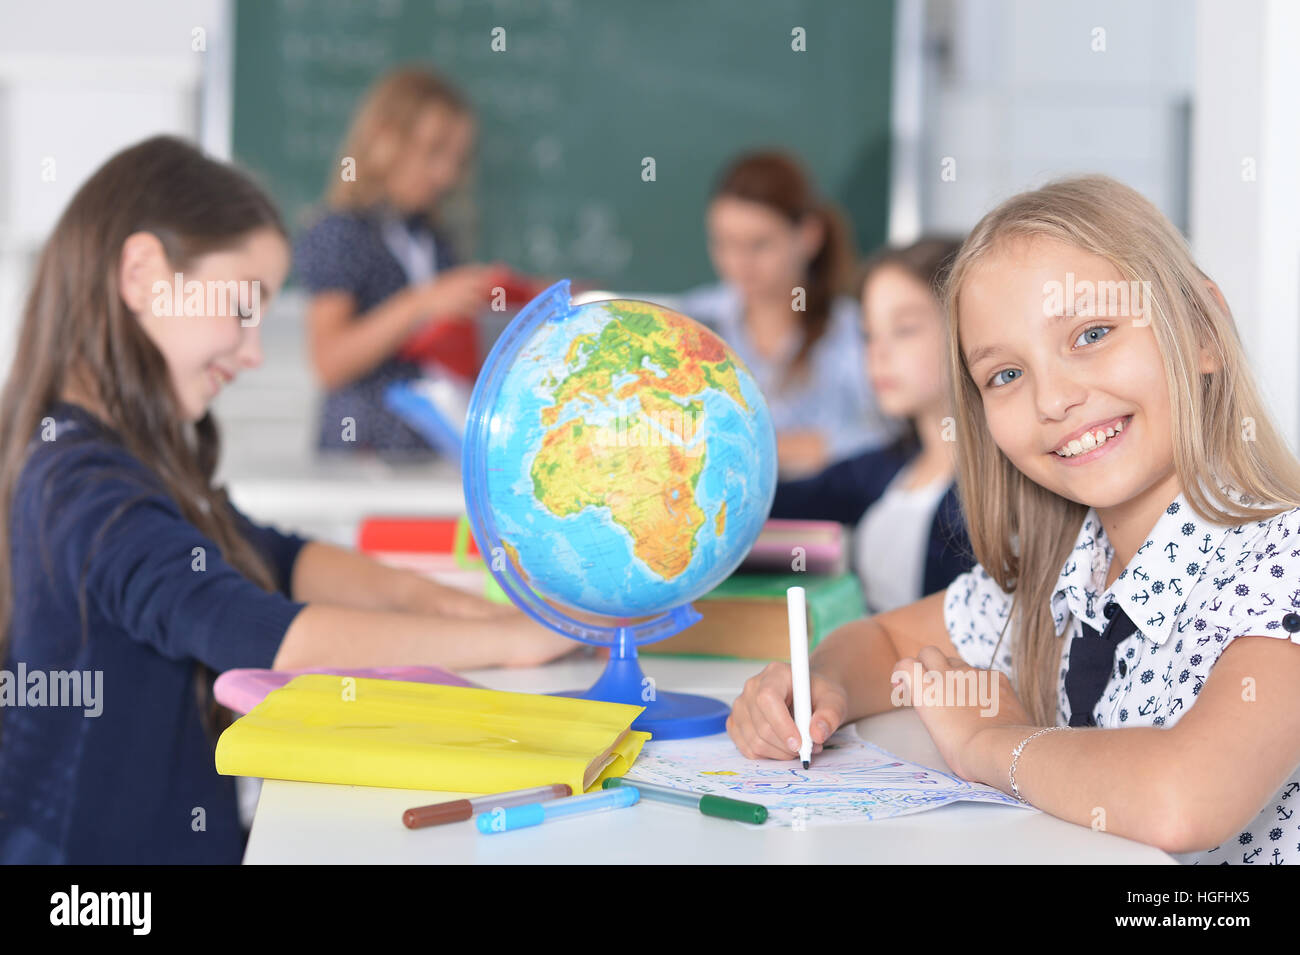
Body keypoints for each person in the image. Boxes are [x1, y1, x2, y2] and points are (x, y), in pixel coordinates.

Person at [0, 136, 575, 864]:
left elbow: (277, 554)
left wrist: (427, 599)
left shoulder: (127, 454)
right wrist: (513, 641)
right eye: (243, 308)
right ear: (144, 272)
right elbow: (257, 631)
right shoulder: (77, 481)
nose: (253, 353)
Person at [729, 175, 1300, 864]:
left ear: (1203, 330)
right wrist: (819, 684)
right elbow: (884, 639)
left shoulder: (1281, 559)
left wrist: (988, 743)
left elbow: (1184, 798)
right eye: (1005, 374)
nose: (1054, 398)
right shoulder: (1058, 574)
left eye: (1092, 333)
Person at [295, 66, 499, 454]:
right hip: (363, 453)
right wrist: (421, 303)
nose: (446, 174)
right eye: (434, 153)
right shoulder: (341, 231)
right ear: (385, 137)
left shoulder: (432, 239)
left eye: (457, 160)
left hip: (429, 451)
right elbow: (329, 361)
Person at [770, 238, 973, 612]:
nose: (878, 354)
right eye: (868, 335)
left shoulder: (1000, 491)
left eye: (905, 329)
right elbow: (773, 503)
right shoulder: (884, 468)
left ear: (968, 328)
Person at [672, 151, 895, 477]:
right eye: (724, 243)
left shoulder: (854, 331)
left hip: (820, 518)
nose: (738, 264)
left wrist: (785, 446)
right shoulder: (690, 323)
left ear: (808, 237)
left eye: (759, 244)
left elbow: (891, 436)